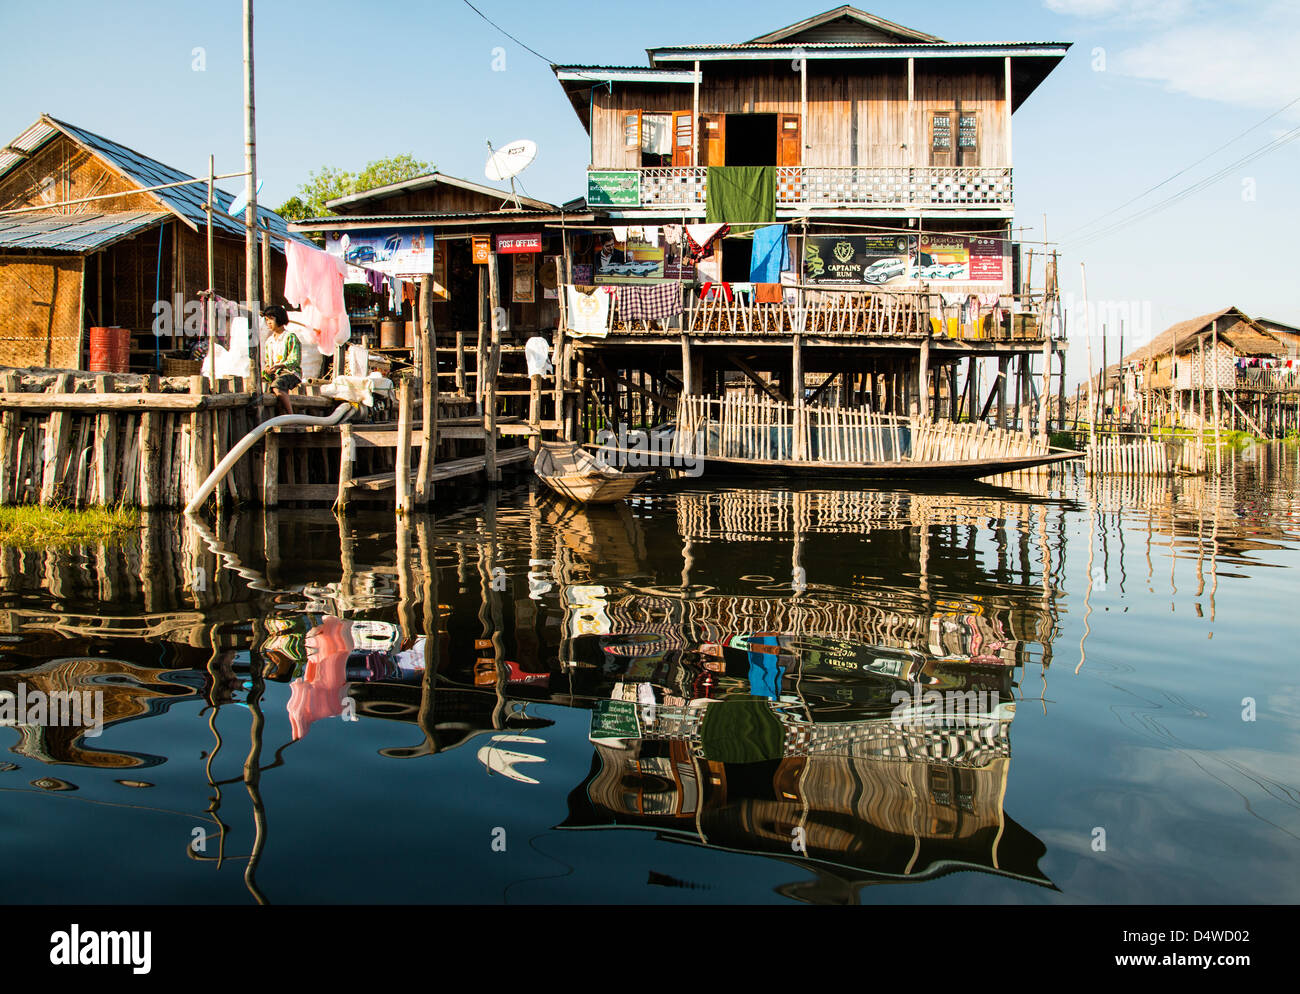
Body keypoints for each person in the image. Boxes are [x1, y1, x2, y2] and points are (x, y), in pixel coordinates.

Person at [261, 305, 301, 415]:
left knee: (277, 386)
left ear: (280, 319)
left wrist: (280, 365)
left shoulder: (290, 337)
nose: (268, 323)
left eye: (271, 320)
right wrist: (268, 369)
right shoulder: (269, 341)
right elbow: (268, 360)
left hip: (290, 373)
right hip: (274, 374)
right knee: (262, 387)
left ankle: (290, 415)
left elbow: (295, 360)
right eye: (266, 320)